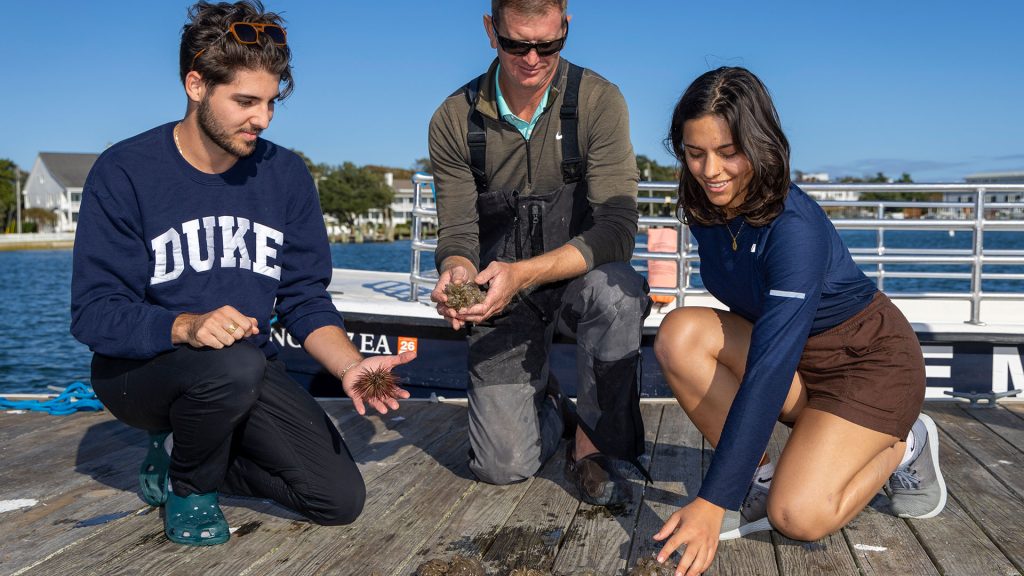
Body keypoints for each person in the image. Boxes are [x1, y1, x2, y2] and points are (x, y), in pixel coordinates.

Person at [70, 0, 414, 547]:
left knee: (337, 500)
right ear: (196, 85)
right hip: (140, 372)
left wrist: (350, 365)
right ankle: (190, 486)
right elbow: (94, 314)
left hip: (245, 370)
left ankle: (188, 449)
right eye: (246, 101)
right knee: (229, 366)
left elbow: (303, 297)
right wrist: (185, 325)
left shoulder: (285, 174)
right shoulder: (125, 171)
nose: (263, 119)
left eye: (272, 103)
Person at [651, 66, 946, 575]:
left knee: (799, 516)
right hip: (795, 360)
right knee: (679, 334)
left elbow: (767, 372)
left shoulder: (794, 228)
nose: (710, 170)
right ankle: (758, 483)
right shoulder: (704, 205)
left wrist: (712, 500)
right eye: (694, 153)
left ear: (759, 143)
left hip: (867, 363)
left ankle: (904, 441)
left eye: (727, 152)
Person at [427, 0, 651, 506]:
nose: (532, 58)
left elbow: (617, 230)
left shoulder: (598, 99)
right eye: (516, 44)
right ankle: (551, 408)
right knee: (500, 468)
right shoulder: (452, 118)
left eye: (548, 45)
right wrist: (456, 274)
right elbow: (459, 236)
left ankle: (593, 449)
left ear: (565, 28)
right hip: (502, 296)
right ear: (490, 31)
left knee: (620, 295)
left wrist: (524, 273)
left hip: (573, 281)